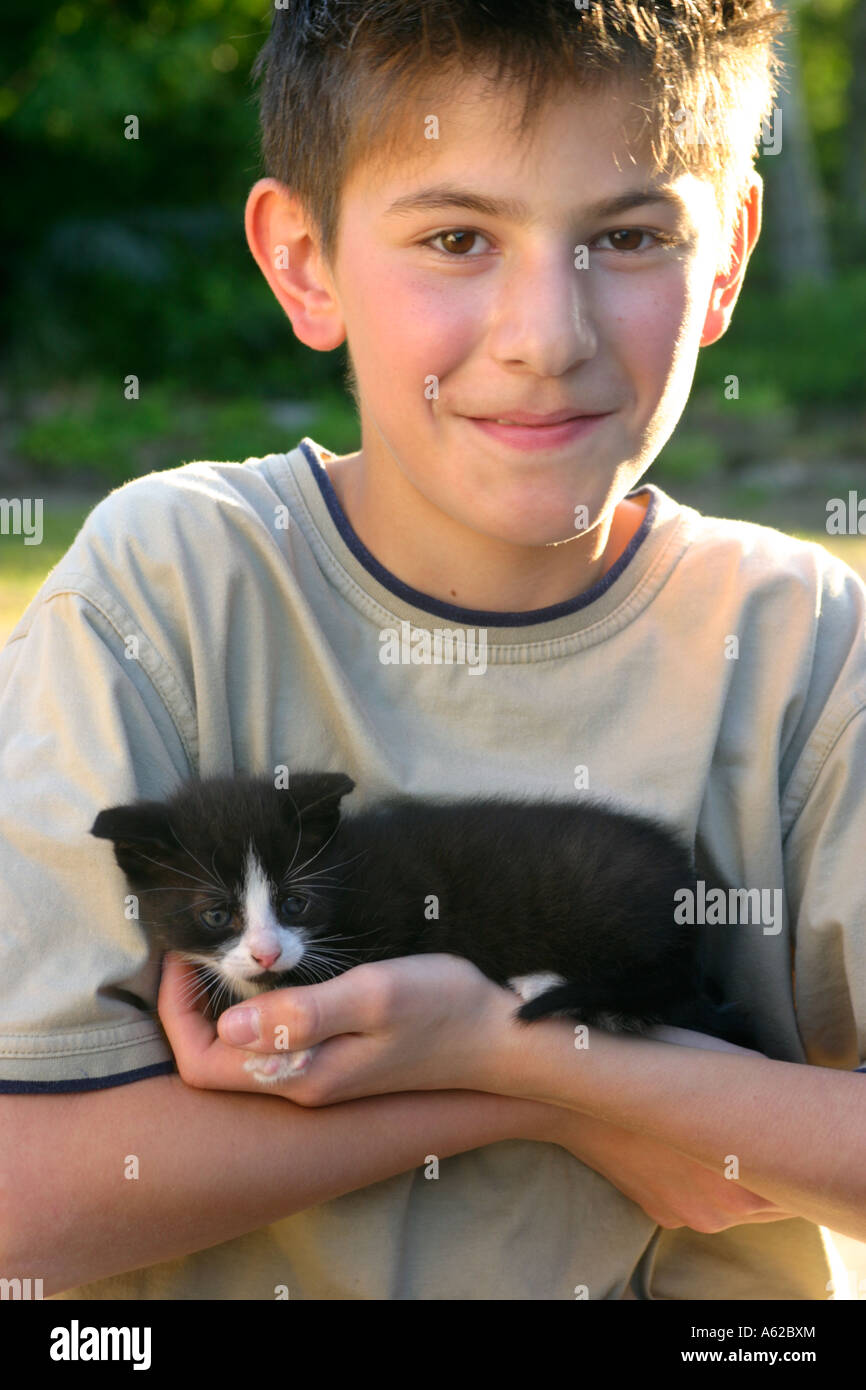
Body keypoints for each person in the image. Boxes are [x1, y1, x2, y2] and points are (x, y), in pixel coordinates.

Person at [1, 0, 864, 1301]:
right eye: (456, 238)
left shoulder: (805, 645)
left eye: (627, 236)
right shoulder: (169, 586)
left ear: (726, 258)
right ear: (304, 261)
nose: (545, 332)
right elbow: (25, 1198)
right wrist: (537, 1085)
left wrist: (515, 1052)